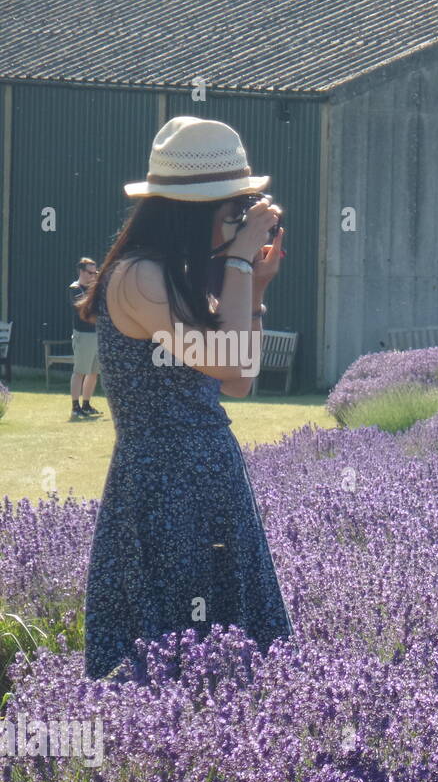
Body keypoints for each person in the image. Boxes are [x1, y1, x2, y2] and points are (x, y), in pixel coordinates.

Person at [77, 116, 293, 680]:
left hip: (210, 474)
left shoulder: (178, 276)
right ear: (195, 210)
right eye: (233, 214)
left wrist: (257, 286)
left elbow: (240, 380)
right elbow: (231, 362)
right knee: (168, 651)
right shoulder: (139, 277)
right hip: (163, 482)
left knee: (233, 656)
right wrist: (240, 264)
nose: (238, 225)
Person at [69, 257, 103, 419]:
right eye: (90, 272)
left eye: (95, 272)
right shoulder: (75, 288)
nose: (93, 275)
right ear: (82, 272)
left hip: (97, 334)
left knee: (94, 372)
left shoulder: (94, 288)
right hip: (84, 335)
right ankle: (75, 406)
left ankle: (86, 404)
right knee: (80, 371)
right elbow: (83, 310)